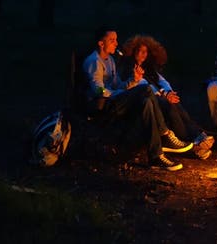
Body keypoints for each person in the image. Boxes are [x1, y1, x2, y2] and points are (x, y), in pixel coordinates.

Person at [82, 26, 193, 170]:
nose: (116, 43)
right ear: (101, 43)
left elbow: (119, 85)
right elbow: (97, 89)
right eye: (112, 40)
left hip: (115, 99)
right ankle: (165, 134)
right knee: (145, 89)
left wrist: (133, 80)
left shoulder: (110, 60)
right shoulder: (94, 61)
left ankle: (156, 156)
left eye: (116, 39)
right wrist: (116, 94)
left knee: (147, 101)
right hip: (104, 104)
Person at [120, 34, 215, 160]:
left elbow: (163, 82)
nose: (143, 54)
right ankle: (191, 142)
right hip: (144, 101)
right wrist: (164, 94)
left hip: (157, 97)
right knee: (169, 105)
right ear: (133, 52)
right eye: (140, 51)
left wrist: (168, 92)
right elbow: (143, 86)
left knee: (175, 103)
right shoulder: (128, 68)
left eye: (146, 52)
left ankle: (197, 136)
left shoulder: (149, 68)